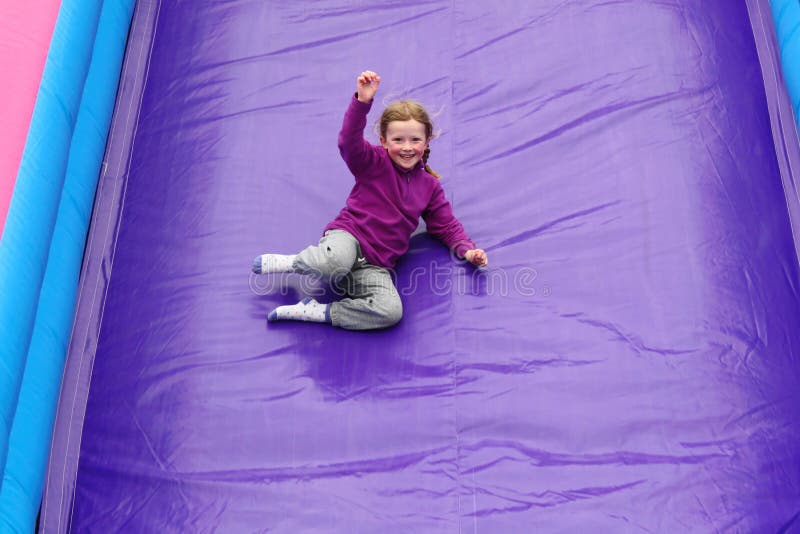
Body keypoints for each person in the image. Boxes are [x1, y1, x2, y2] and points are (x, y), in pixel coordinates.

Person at [252, 70, 488, 330]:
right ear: (384, 141)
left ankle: (318, 311)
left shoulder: (429, 187)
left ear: (426, 141)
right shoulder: (373, 162)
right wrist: (362, 103)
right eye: (398, 140)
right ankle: (292, 263)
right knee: (335, 262)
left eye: (415, 140)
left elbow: (445, 225)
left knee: (390, 311)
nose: (407, 147)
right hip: (349, 238)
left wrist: (468, 250)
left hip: (375, 266)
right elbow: (348, 142)